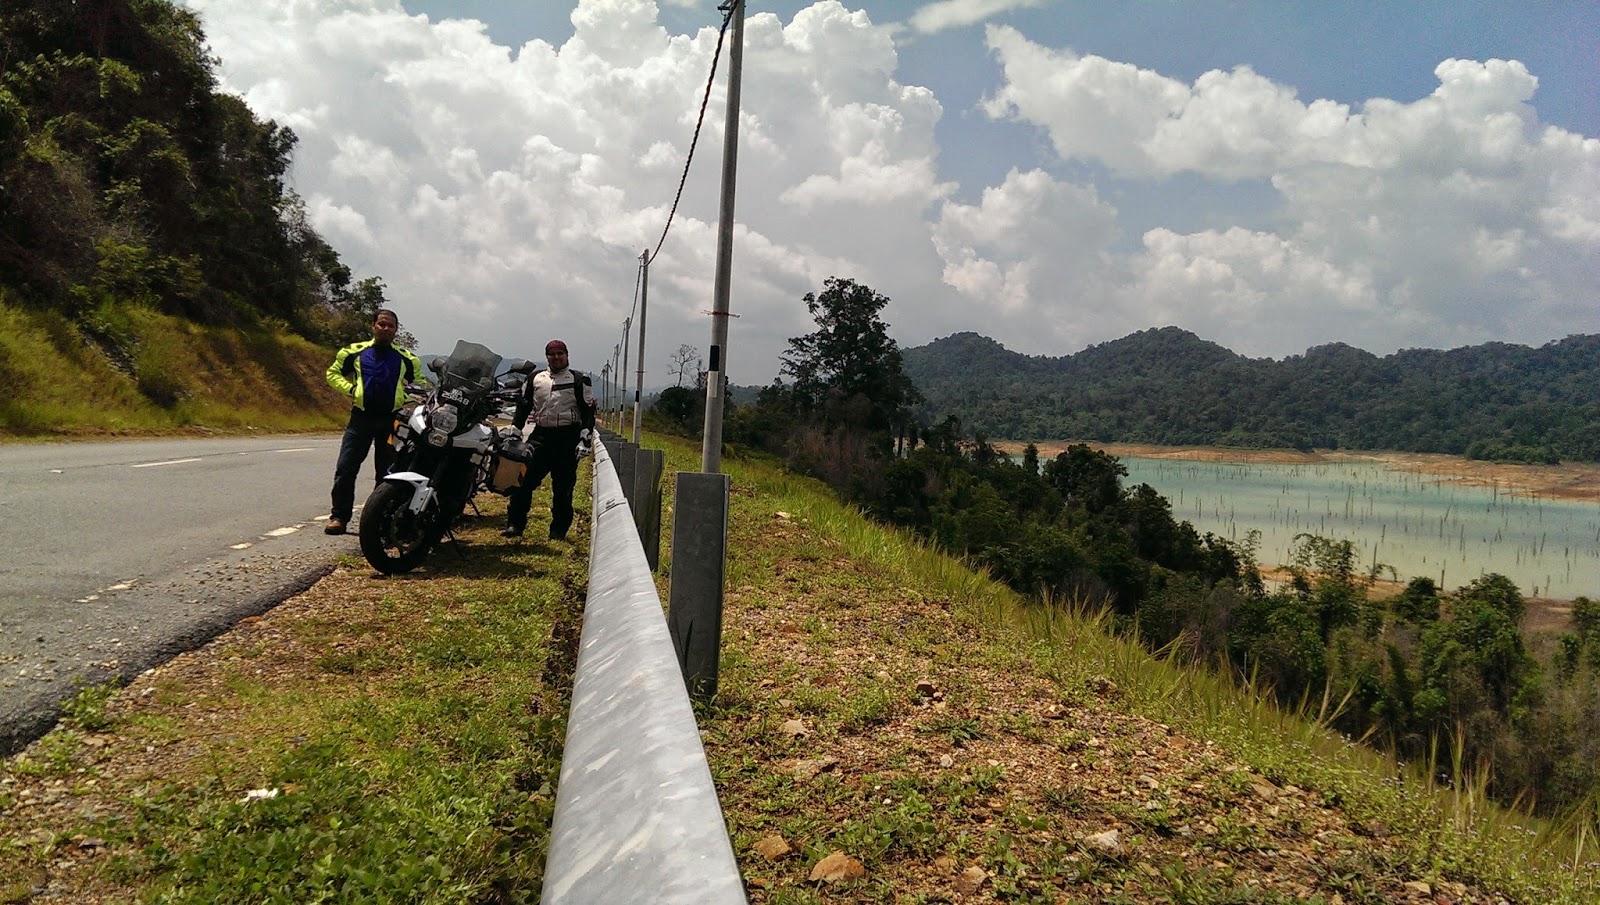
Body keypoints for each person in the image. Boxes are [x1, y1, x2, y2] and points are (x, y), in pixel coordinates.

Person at [323, 309, 422, 535]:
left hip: (392, 421)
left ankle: (380, 521)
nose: (385, 328)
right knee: (346, 468)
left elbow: (420, 384)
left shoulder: (407, 358)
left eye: (390, 326)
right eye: (381, 324)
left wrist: (404, 398)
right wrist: (351, 389)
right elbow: (333, 373)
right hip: (361, 419)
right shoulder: (354, 351)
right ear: (373, 326)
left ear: (396, 330)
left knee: (387, 473)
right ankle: (339, 517)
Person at [503, 339, 596, 541]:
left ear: (567, 355)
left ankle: (558, 532)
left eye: (560, 354)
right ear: (547, 357)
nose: (556, 358)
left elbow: (588, 412)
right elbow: (523, 406)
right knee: (523, 481)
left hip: (568, 438)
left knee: (563, 489)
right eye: (552, 355)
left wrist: (585, 440)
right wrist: (515, 430)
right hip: (541, 436)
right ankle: (515, 525)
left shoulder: (579, 379)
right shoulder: (535, 378)